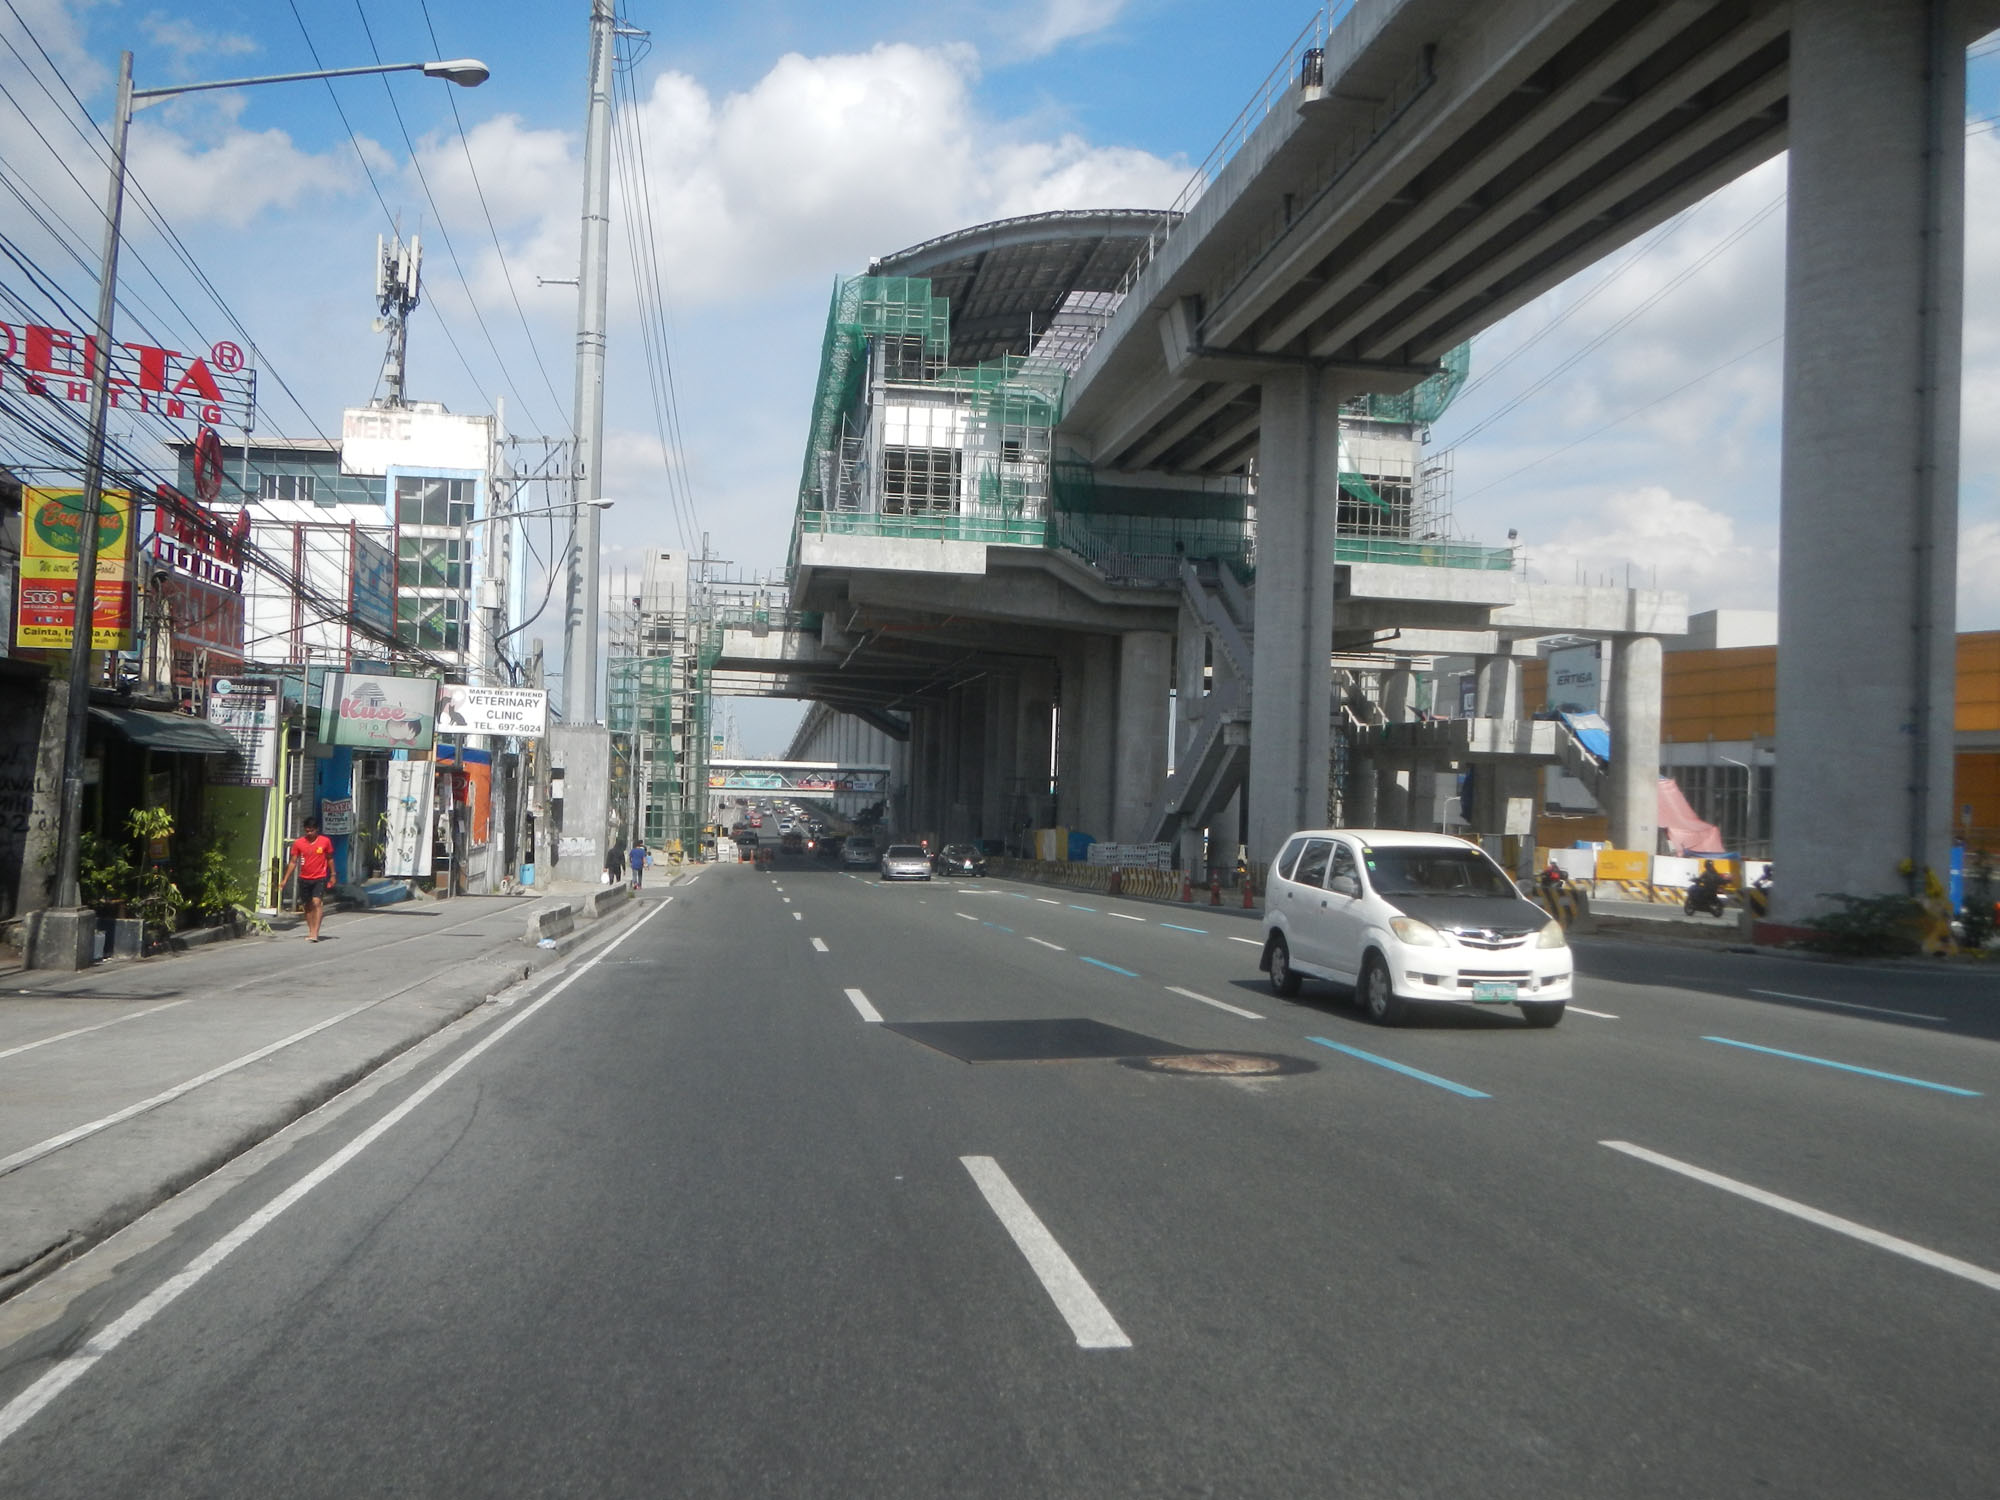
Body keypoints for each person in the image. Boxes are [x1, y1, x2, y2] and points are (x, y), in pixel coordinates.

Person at [283, 816, 335, 943]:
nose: (309, 833)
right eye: (307, 831)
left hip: (320, 878)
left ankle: (315, 933)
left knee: (317, 903)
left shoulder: (325, 841)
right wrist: (285, 879)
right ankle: (311, 929)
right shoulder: (299, 843)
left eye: (312, 830)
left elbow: (330, 859)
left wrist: (333, 875)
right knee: (307, 905)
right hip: (304, 878)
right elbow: (293, 862)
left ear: (317, 830)